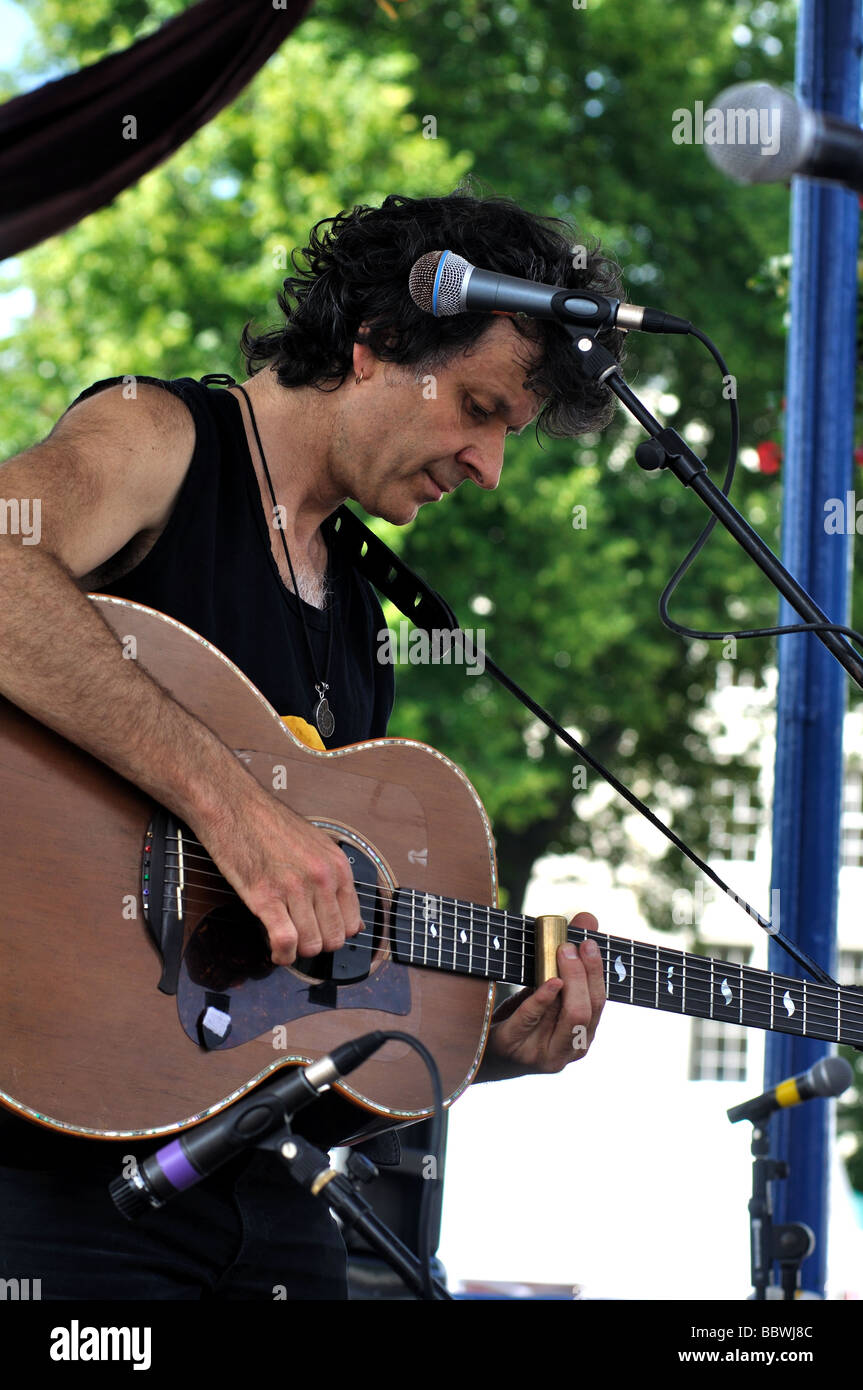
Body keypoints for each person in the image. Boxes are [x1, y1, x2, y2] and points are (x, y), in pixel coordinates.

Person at [0, 187, 620, 1299]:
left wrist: (482, 1050)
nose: (487, 467)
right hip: (55, 1191)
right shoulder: (161, 439)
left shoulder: (360, 625)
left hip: (261, 1193)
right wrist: (234, 813)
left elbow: (286, 1003)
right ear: (378, 341)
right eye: (477, 408)